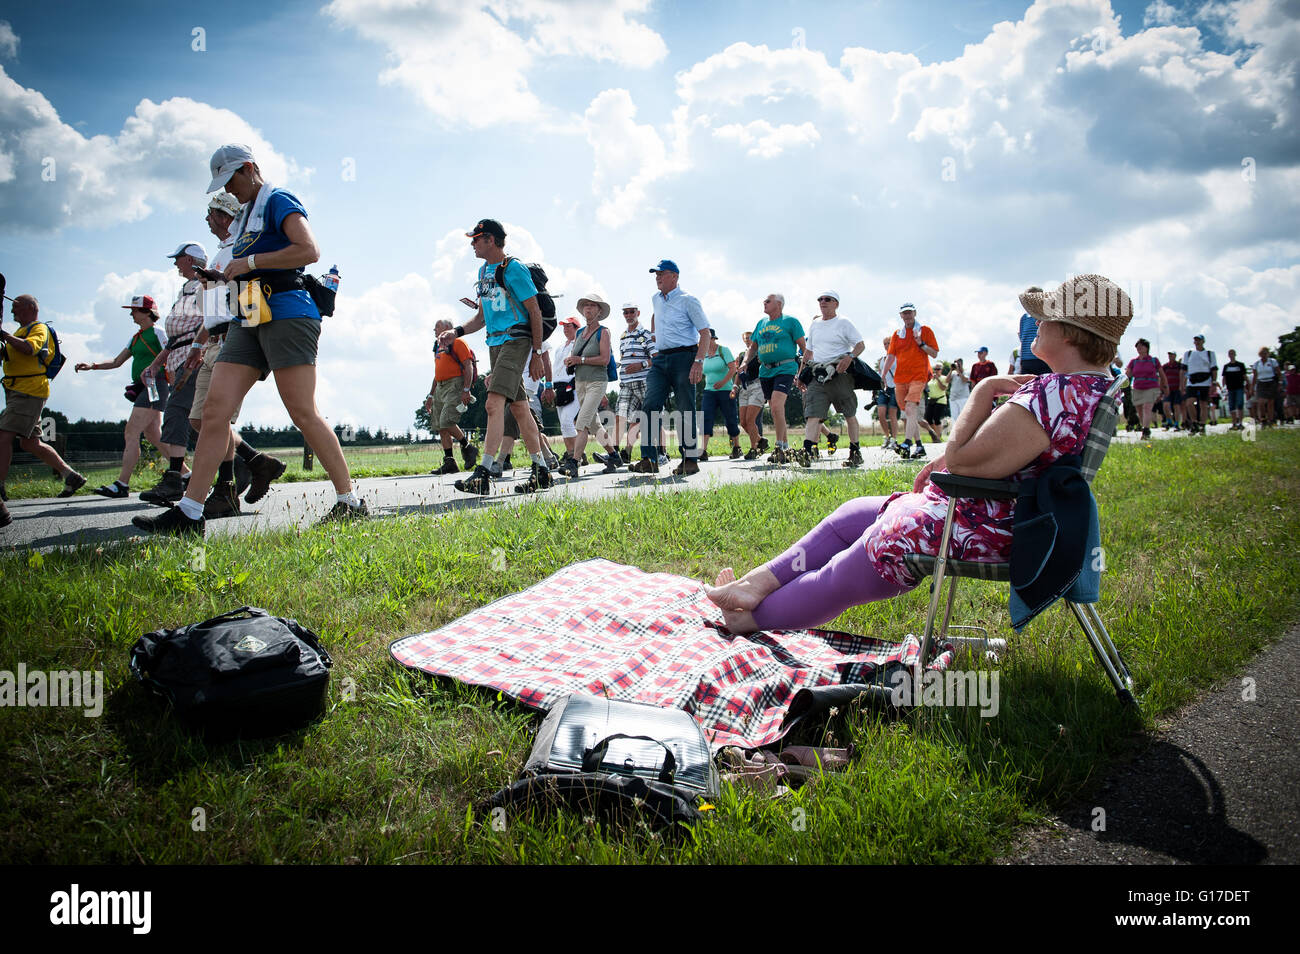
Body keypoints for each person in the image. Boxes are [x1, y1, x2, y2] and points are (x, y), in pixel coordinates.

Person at [706, 274, 1132, 635]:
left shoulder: (1053, 393)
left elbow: (964, 460)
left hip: (985, 525)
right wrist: (951, 462)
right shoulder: (1090, 389)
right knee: (855, 513)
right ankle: (754, 585)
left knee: (855, 562)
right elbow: (1004, 456)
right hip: (1008, 513)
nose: (1034, 322)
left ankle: (750, 620)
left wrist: (983, 391)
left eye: (1046, 318)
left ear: (1072, 334)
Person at [134, 143, 366, 535]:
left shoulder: (277, 200)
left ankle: (349, 501)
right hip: (247, 316)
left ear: (250, 168)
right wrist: (223, 276)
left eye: (232, 180)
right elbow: (242, 267)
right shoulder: (241, 219)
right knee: (213, 411)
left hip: (288, 312)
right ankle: (190, 513)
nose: (230, 190)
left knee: (301, 412)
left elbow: (308, 250)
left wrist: (250, 263)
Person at [188, 192, 287, 517]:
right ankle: (256, 464)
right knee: (201, 419)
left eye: (210, 213)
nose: (206, 219)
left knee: (211, 419)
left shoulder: (240, 247)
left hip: (233, 337)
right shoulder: (221, 252)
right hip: (216, 339)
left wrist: (243, 333)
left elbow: (250, 293)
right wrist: (198, 344)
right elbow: (214, 305)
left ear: (225, 214)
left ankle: (222, 490)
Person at [443, 218, 553, 496]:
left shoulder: (513, 269)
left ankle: (484, 473)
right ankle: (541, 470)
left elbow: (535, 312)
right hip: (495, 343)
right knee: (519, 408)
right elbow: (481, 317)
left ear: (491, 240)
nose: (472, 244)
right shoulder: (483, 271)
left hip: (516, 340)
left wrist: (537, 353)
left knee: (493, 404)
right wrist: (456, 332)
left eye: (476, 239)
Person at [0, 294, 86, 525]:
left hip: (28, 391)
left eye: (16, 307)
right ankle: (71, 475)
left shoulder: (37, 329)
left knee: (3, 436)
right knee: (29, 443)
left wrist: (4, 335)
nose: (12, 312)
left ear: (30, 308)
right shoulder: (19, 331)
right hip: (20, 390)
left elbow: (29, 349)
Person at [75, 296, 170, 498]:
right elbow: (117, 361)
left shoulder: (159, 332)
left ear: (146, 312)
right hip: (145, 387)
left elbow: (170, 353)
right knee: (153, 435)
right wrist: (93, 366)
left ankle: (122, 484)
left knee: (131, 431)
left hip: (155, 385)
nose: (131, 314)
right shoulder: (135, 338)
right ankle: (185, 475)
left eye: (134, 310)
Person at [137, 241, 208, 505]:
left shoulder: (203, 284)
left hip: (192, 355)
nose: (175, 263)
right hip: (180, 355)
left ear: (190, 259)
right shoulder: (187, 288)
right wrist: (157, 364)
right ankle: (245, 461)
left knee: (178, 411)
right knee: (200, 418)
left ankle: (173, 479)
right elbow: (174, 337)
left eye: (178, 258)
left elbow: (206, 322)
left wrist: (198, 348)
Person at [631, 260, 710, 475]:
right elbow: (657, 318)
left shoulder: (688, 300)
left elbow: (705, 332)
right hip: (660, 359)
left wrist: (698, 362)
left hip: (685, 357)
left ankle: (690, 459)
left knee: (685, 407)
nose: (657, 277)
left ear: (674, 276)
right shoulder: (656, 299)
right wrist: (656, 339)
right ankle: (649, 459)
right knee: (650, 405)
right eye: (656, 274)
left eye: (662, 273)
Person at [797, 291, 864, 468]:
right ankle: (807, 452)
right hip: (817, 374)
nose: (823, 302)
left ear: (836, 304)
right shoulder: (815, 325)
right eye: (820, 299)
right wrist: (801, 374)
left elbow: (860, 345)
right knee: (813, 414)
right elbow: (808, 352)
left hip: (839, 373)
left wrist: (849, 357)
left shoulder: (843, 322)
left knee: (849, 413)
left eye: (828, 299)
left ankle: (855, 452)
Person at [560, 294, 621, 477]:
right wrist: (570, 360)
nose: (588, 308)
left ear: (599, 311)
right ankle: (614, 455)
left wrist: (581, 359)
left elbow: (604, 359)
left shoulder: (604, 332)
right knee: (594, 424)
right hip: (580, 382)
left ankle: (574, 462)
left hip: (597, 381)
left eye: (593, 306)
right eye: (585, 305)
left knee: (582, 422)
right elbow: (575, 355)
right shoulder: (579, 333)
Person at [741, 293, 804, 464]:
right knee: (776, 409)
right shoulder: (761, 323)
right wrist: (745, 362)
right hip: (766, 372)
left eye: (768, 301)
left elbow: (804, 348)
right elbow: (752, 347)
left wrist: (803, 372)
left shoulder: (790, 322)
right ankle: (785, 447)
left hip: (786, 367)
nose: (764, 303)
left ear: (779, 304)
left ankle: (779, 446)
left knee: (776, 406)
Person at [883, 302, 939, 460]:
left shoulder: (925, 331)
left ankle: (907, 443)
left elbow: (934, 353)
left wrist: (921, 343)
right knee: (907, 414)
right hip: (900, 378)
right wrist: (883, 374)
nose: (907, 315)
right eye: (904, 313)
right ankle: (919, 446)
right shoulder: (897, 334)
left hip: (918, 376)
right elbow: (891, 355)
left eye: (909, 312)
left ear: (915, 313)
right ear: (901, 315)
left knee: (910, 407)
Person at [427, 319, 480, 475]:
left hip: (455, 384)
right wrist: (431, 395)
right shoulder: (437, 346)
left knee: (446, 420)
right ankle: (449, 462)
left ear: (448, 328)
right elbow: (437, 372)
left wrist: (466, 389)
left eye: (437, 326)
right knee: (440, 426)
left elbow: (468, 365)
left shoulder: (458, 342)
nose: (434, 329)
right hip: (440, 386)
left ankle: (468, 447)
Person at [613, 302, 654, 464]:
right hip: (626, 382)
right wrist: (616, 364)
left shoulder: (645, 334)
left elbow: (656, 357)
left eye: (631, 312)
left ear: (638, 313)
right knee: (620, 416)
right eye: (625, 313)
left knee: (647, 418)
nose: (629, 315)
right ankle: (616, 453)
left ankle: (661, 451)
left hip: (643, 381)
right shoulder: (623, 336)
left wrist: (641, 365)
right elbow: (625, 358)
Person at [700, 329, 742, 460]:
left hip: (725, 390)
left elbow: (733, 368)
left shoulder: (723, 351)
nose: (703, 342)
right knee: (706, 418)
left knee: (730, 419)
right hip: (709, 391)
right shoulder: (703, 354)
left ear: (713, 339)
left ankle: (736, 447)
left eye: (706, 339)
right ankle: (703, 450)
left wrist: (723, 382)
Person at [732, 330, 768, 459]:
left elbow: (767, 368)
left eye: (749, 337)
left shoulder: (760, 352)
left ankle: (754, 449)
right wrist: (735, 387)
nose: (747, 339)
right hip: (745, 387)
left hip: (758, 386)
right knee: (743, 422)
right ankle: (761, 440)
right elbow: (738, 372)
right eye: (745, 338)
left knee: (750, 420)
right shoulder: (742, 355)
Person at [1124, 338, 1167, 439]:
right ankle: (1145, 427)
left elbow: (1162, 375)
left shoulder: (1154, 360)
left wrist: (1165, 387)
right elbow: (1128, 375)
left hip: (1151, 387)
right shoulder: (1133, 362)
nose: (1138, 348)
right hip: (1137, 387)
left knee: (1147, 408)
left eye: (1141, 346)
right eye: (1137, 347)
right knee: (1139, 410)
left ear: (1147, 348)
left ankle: (1146, 430)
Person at [1181, 334, 1217, 435]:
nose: (1197, 342)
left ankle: (1202, 424)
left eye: (1199, 340)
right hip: (1192, 382)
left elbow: (1214, 369)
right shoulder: (1188, 354)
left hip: (1205, 381)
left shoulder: (1209, 354)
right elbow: (1183, 370)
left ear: (1203, 341)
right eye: (1195, 340)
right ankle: (1194, 422)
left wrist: (1213, 382)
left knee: (1203, 404)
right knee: (1189, 403)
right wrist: (1182, 384)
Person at [1016, 291, 1051, 375]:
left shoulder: (1045, 314)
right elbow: (1021, 337)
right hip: (1026, 359)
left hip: (1042, 358)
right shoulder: (1024, 317)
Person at [875, 337, 900, 452]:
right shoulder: (882, 359)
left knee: (892, 414)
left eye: (888, 343)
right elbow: (880, 374)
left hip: (895, 387)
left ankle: (894, 439)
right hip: (883, 389)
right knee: (881, 413)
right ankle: (887, 436)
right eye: (884, 343)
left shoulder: (897, 357)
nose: (886, 345)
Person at [1251, 347, 1282, 427]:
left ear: (1268, 353)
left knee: (1270, 402)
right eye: (1262, 353)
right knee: (1261, 402)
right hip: (1261, 382)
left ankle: (1271, 420)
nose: (1263, 355)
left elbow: (1279, 373)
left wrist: (1280, 383)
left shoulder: (1272, 361)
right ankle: (1263, 418)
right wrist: (1252, 387)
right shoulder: (1257, 364)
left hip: (1271, 382)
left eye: (1265, 353)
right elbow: (1255, 376)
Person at [1221, 349, 1249, 430]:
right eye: (1230, 353)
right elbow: (1224, 378)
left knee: (1240, 404)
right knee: (1231, 406)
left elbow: (1244, 376)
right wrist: (1224, 388)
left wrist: (1247, 385)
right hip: (1230, 388)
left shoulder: (1240, 365)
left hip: (1239, 387)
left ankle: (1240, 423)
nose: (1231, 355)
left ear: (1235, 354)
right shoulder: (1226, 366)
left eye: (1232, 353)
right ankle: (1234, 423)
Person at [921, 364, 949, 442]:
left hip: (940, 400)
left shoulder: (944, 378)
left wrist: (938, 379)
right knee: (928, 418)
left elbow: (943, 388)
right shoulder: (931, 379)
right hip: (931, 400)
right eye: (935, 369)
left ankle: (938, 437)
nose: (936, 371)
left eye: (938, 369)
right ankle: (935, 434)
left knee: (937, 418)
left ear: (941, 370)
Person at [1161, 351, 1184, 430]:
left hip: (1177, 389)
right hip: (1167, 389)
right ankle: (1169, 421)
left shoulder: (1179, 366)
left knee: (1176, 406)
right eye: (1169, 355)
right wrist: (1162, 388)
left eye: (1172, 355)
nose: (1170, 356)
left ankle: (1177, 423)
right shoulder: (1165, 366)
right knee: (1165, 406)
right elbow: (1161, 376)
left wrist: (1182, 387)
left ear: (1175, 356)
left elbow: (1183, 375)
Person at [947, 357, 971, 422]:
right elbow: (947, 381)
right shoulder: (953, 373)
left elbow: (965, 380)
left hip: (963, 398)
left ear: (961, 363)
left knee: (963, 416)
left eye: (957, 363)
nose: (956, 364)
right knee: (954, 418)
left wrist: (958, 371)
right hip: (953, 398)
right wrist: (951, 370)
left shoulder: (967, 372)